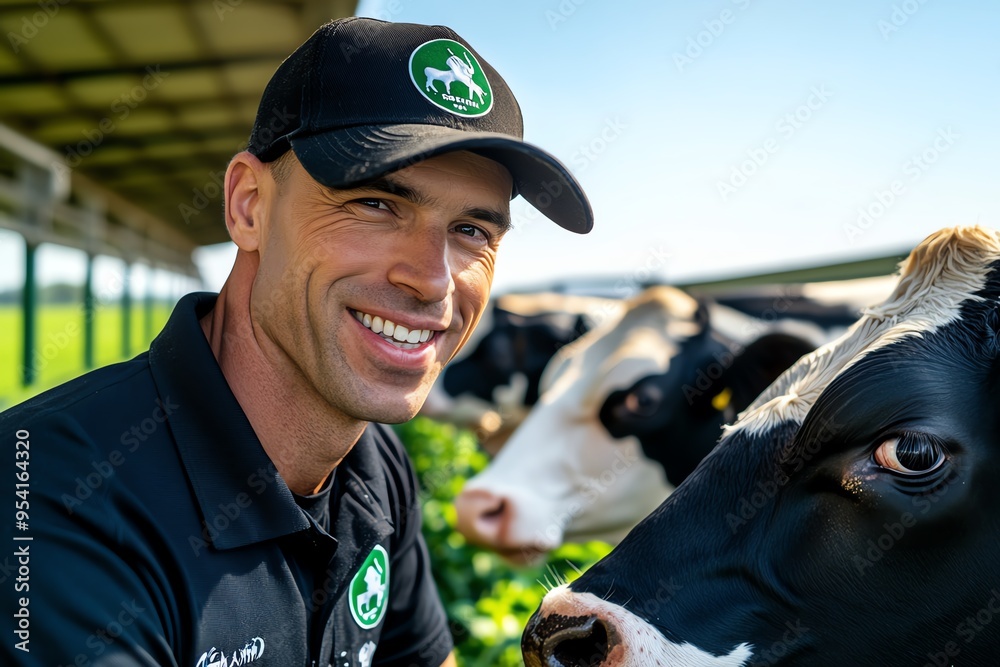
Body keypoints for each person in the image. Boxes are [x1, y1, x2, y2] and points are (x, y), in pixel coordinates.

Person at [0, 17, 591, 667]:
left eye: (473, 230)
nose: (431, 279)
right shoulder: (50, 497)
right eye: (375, 203)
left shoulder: (375, 465)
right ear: (249, 205)